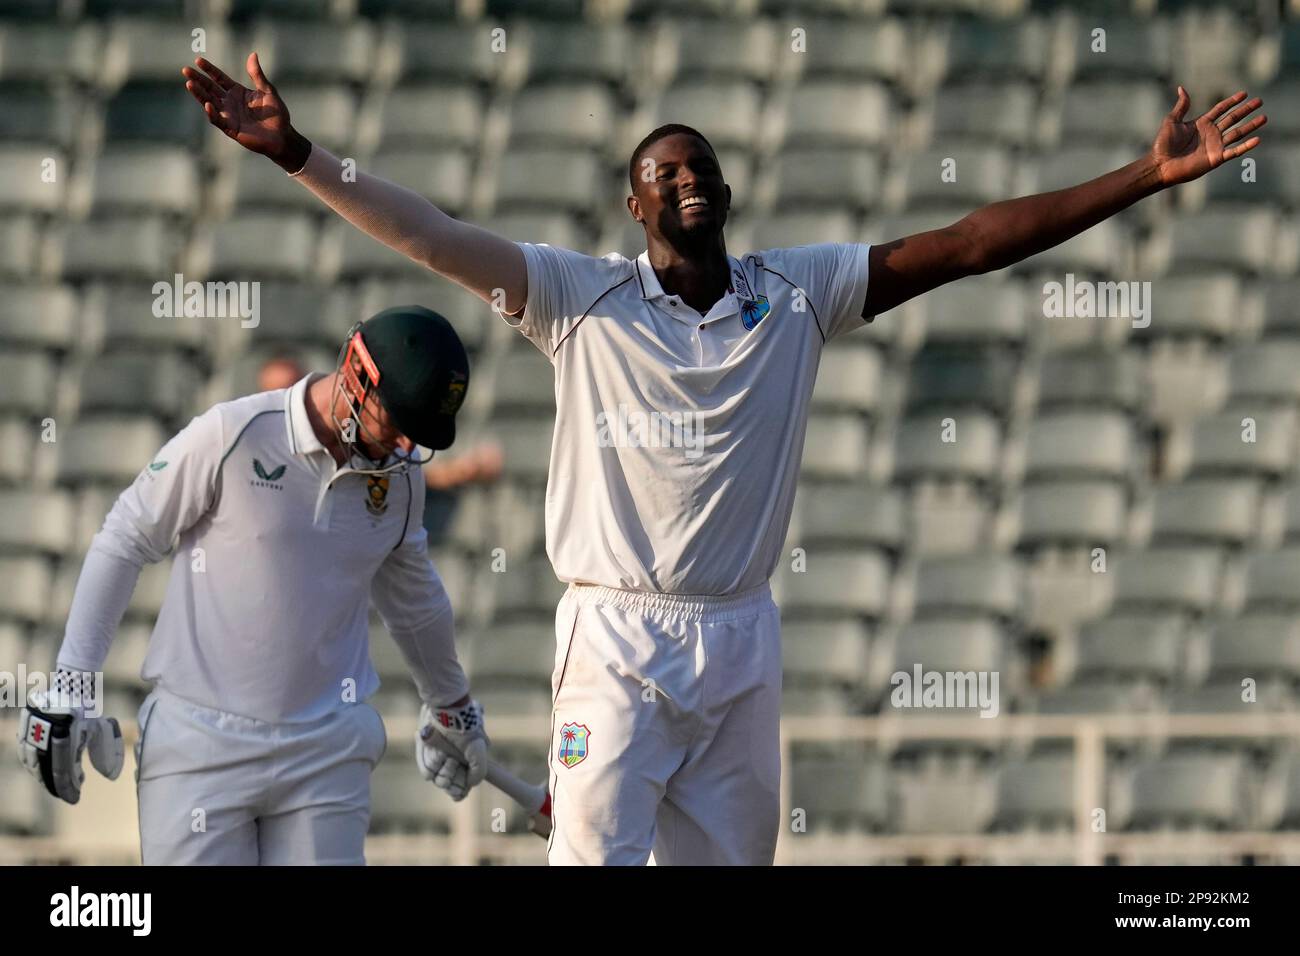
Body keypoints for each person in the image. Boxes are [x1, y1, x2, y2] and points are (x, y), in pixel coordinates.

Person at [181, 52, 1265, 865]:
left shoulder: (797, 291)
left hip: (741, 636)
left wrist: (1139, 176)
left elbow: (970, 243)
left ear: (727, 195)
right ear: (633, 202)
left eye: (702, 166)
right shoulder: (575, 296)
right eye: (664, 169)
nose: (687, 177)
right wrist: (295, 152)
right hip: (615, 634)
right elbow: (427, 231)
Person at [18, 306, 490, 865]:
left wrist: (450, 706)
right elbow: (126, 536)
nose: (405, 447)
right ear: (358, 374)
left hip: (326, 749)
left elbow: (414, 598)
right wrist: (74, 679)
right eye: (400, 422)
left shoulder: (402, 480)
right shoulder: (234, 432)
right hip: (199, 742)